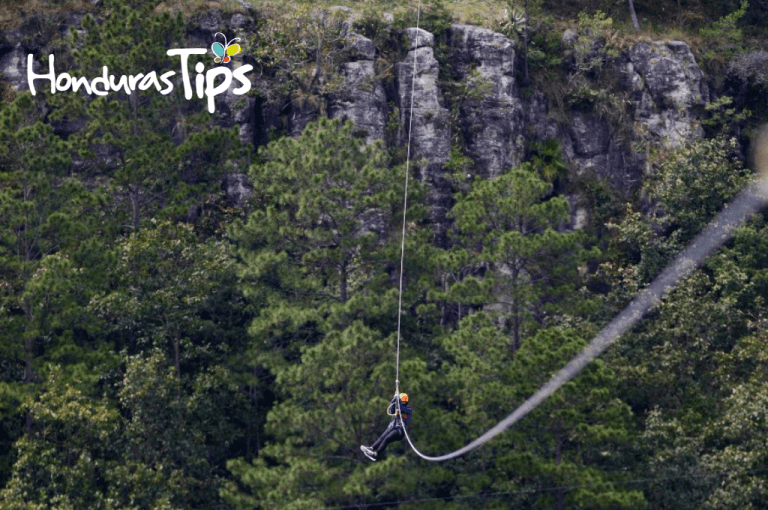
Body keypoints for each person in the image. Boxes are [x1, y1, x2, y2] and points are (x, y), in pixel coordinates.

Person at [361, 393, 412, 461]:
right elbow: (391, 410)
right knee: (381, 438)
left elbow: (401, 409)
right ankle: (372, 448)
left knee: (387, 439)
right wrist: (394, 400)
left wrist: (397, 400)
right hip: (392, 427)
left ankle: (376, 454)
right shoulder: (398, 406)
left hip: (400, 430)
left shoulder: (408, 408)